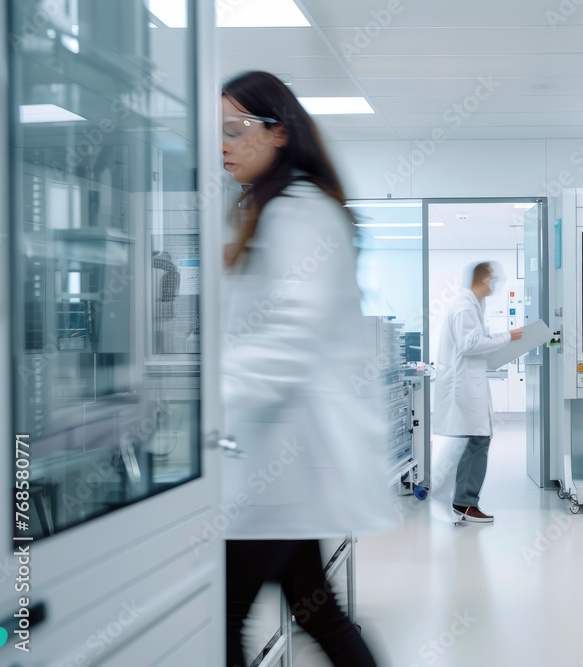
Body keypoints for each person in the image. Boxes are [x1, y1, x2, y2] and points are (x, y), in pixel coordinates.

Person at [219, 71, 394, 667]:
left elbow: (289, 339)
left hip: (285, 459)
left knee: (226, 613)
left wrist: (208, 394)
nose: (223, 145)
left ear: (279, 133)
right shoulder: (276, 211)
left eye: (235, 130)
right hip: (283, 460)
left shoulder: (298, 214)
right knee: (316, 609)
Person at [433, 261, 523, 524]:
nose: (496, 284)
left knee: (474, 441)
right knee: (476, 441)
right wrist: (508, 337)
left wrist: (503, 339)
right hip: (463, 387)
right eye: (495, 279)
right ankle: (463, 501)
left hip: (470, 384)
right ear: (485, 280)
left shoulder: (474, 305)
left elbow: (476, 340)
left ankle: (461, 500)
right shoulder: (464, 306)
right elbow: (469, 343)